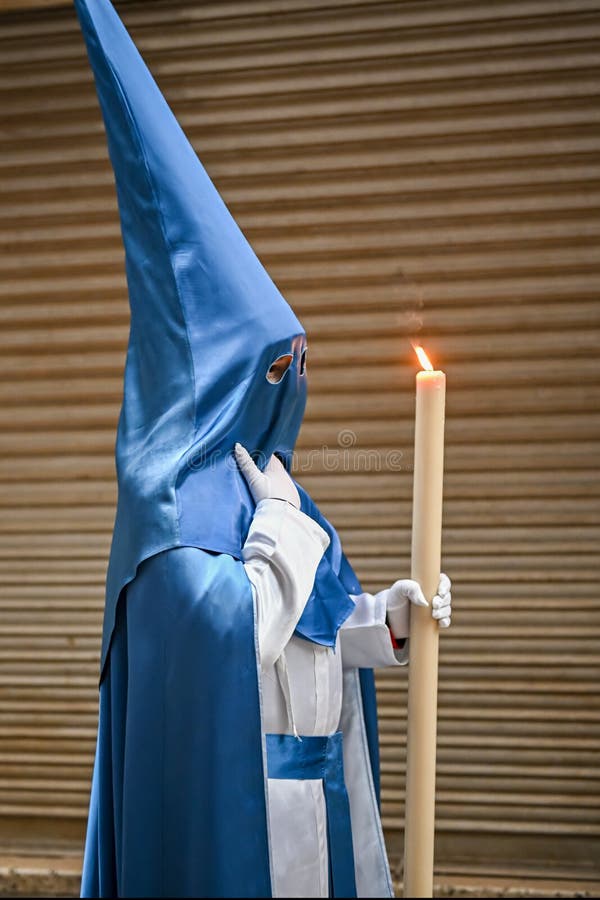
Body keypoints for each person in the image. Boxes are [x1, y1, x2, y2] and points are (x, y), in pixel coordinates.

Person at [75, 1, 452, 897]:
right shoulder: (169, 522)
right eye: (275, 369)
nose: (291, 390)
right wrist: (281, 530)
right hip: (232, 820)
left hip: (316, 813)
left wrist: (387, 619)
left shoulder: (275, 495)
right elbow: (231, 637)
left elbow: (313, 636)